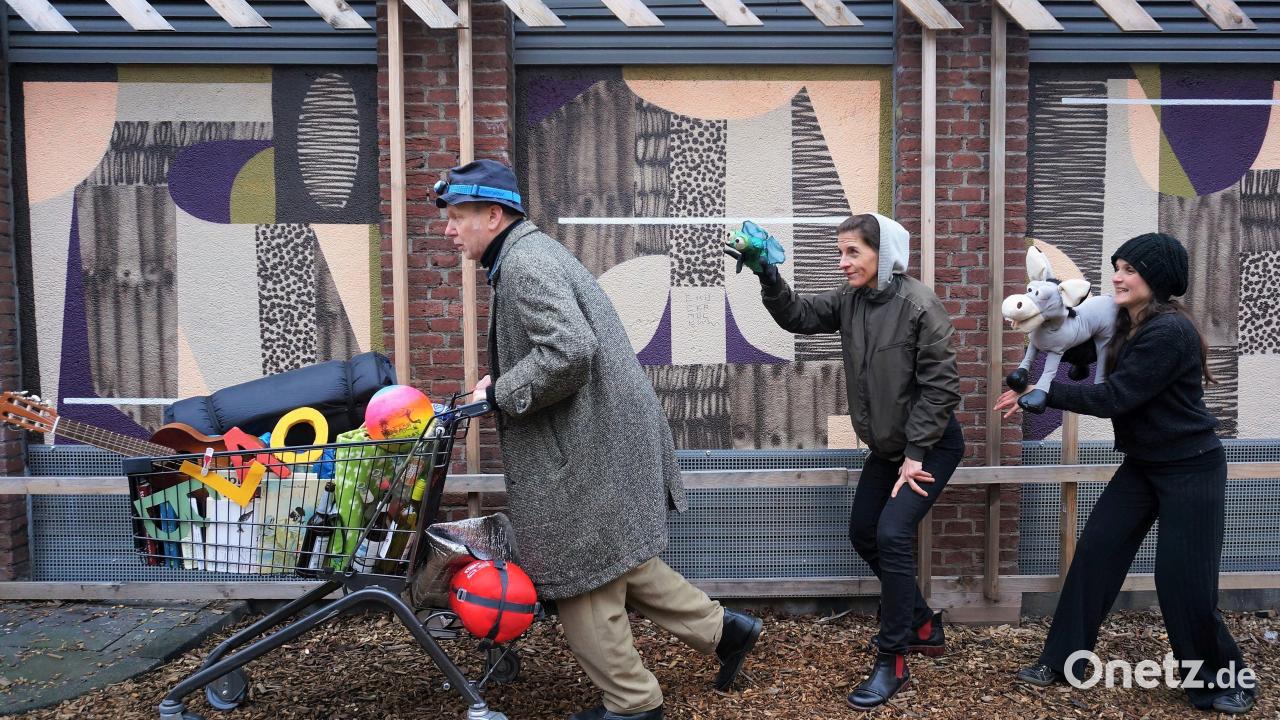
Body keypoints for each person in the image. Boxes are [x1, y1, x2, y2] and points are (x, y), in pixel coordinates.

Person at [436, 159, 763, 720]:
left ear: (493, 215)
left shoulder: (523, 266)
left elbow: (569, 351)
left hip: (587, 446)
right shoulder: (528, 253)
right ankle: (725, 632)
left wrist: (498, 394)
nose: (449, 229)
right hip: (605, 435)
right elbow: (563, 344)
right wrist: (504, 377)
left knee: (579, 574)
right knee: (618, 557)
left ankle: (633, 703)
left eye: (458, 217)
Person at [995, 232, 1257, 715]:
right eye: (1117, 266)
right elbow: (1079, 355)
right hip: (1143, 465)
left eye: (1130, 269)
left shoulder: (1168, 333)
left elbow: (1118, 396)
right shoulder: (1124, 322)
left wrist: (1045, 394)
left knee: (1183, 581)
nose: (1117, 276)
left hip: (1190, 468)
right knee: (1096, 554)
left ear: (1155, 280)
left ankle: (1225, 678)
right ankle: (1064, 659)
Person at [734, 213, 964, 710]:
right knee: (864, 531)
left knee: (892, 534)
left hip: (930, 445)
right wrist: (767, 274)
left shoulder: (918, 305)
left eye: (852, 252)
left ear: (884, 254)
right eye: (841, 252)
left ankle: (893, 658)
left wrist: (916, 453)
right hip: (888, 448)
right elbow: (798, 316)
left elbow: (942, 386)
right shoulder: (852, 301)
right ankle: (922, 622)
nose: (843, 263)